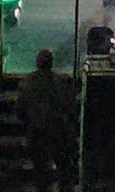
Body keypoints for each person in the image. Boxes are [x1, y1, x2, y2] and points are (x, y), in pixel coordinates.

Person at [17, 49, 76, 192]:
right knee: (64, 168)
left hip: (35, 132)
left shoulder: (27, 82)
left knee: (40, 169)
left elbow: (20, 110)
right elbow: (69, 107)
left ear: (37, 63)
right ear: (51, 63)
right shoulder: (60, 82)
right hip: (57, 132)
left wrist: (29, 123)